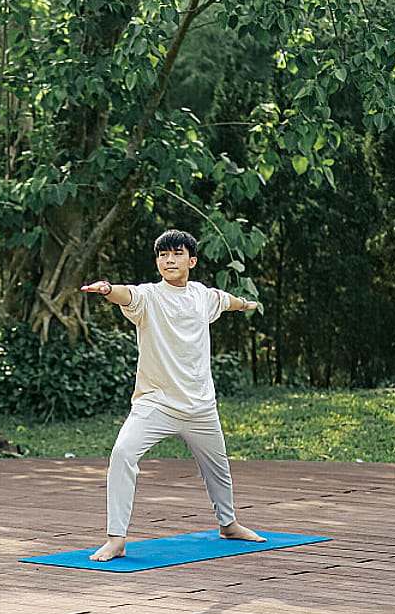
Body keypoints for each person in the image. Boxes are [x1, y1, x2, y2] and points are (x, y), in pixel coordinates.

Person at [81, 229, 264, 562]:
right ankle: (116, 538)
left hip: (200, 406)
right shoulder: (149, 297)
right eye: (163, 255)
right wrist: (107, 289)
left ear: (191, 260)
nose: (169, 260)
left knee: (218, 468)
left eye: (177, 254)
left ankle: (229, 524)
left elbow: (228, 300)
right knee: (122, 453)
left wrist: (247, 304)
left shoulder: (203, 296)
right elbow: (127, 295)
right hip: (156, 403)